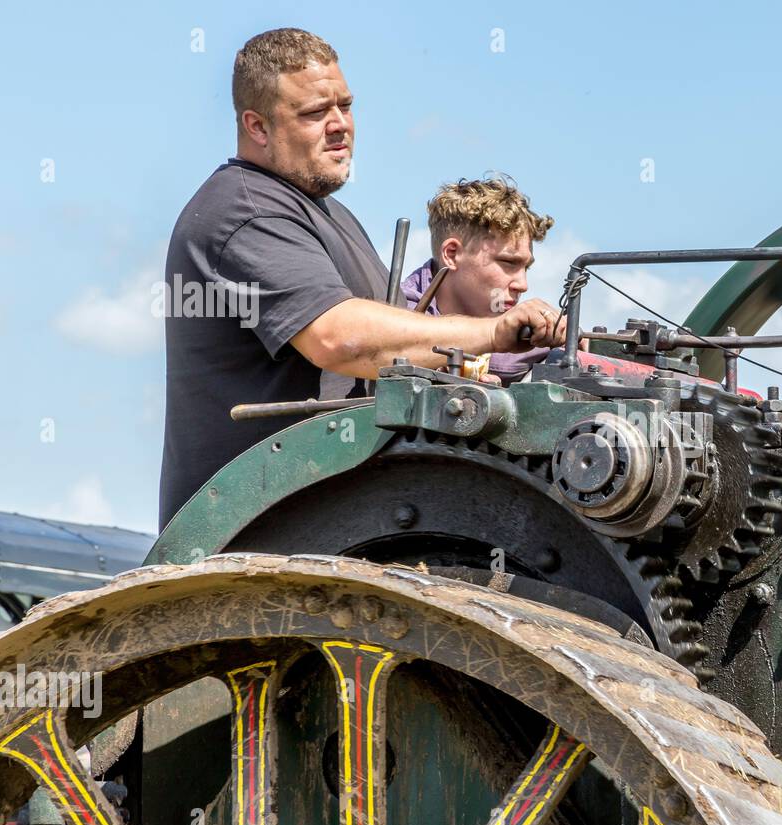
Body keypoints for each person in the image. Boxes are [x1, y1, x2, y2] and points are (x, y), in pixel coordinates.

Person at [158, 28, 567, 529]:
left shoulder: (331, 217)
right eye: (313, 113)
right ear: (257, 126)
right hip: (258, 532)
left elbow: (398, 349)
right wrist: (494, 333)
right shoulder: (245, 213)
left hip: (333, 515)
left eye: (345, 107)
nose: (339, 127)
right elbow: (338, 339)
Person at [401, 177, 556, 384]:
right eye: (508, 263)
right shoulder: (393, 317)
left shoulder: (530, 337)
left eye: (526, 267)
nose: (523, 284)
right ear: (452, 254)